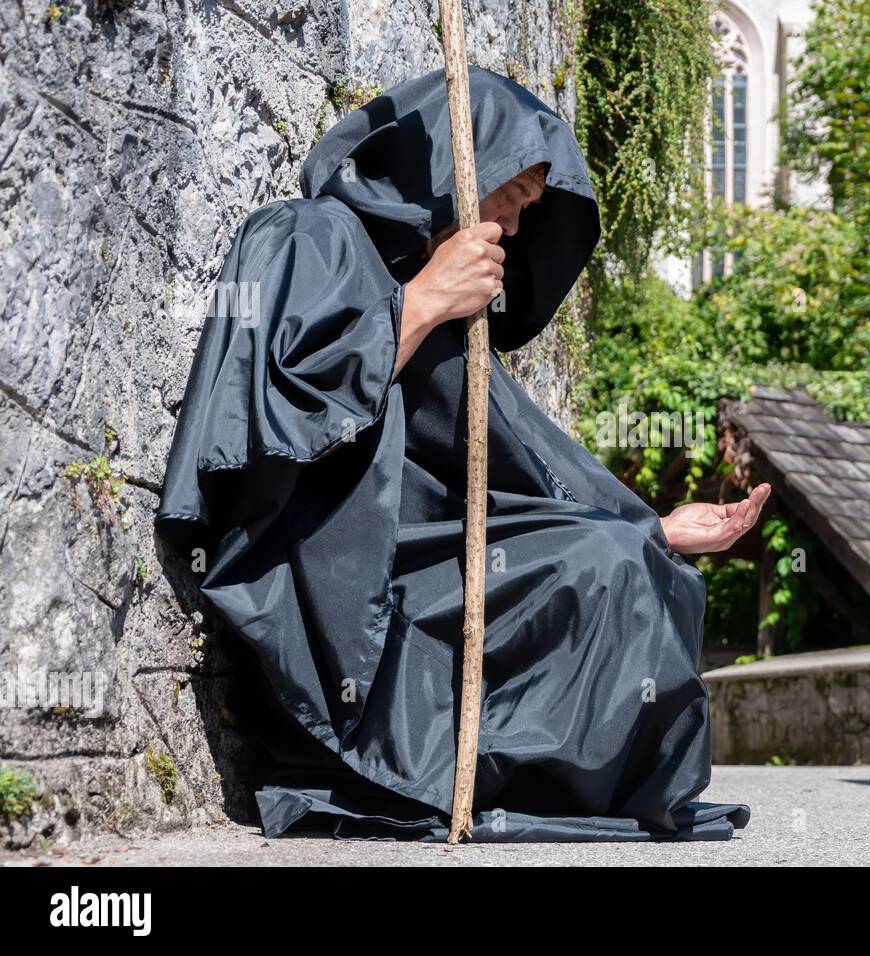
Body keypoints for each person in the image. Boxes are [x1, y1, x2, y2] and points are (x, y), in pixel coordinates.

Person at [154, 66, 767, 842]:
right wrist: (419, 304)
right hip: (339, 573)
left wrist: (656, 526)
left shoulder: (455, 302)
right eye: (510, 198)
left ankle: (528, 779)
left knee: (629, 561)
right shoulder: (309, 234)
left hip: (433, 558)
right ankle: (432, 765)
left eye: (528, 211)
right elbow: (276, 417)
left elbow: (524, 463)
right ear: (456, 163)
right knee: (606, 566)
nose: (513, 230)